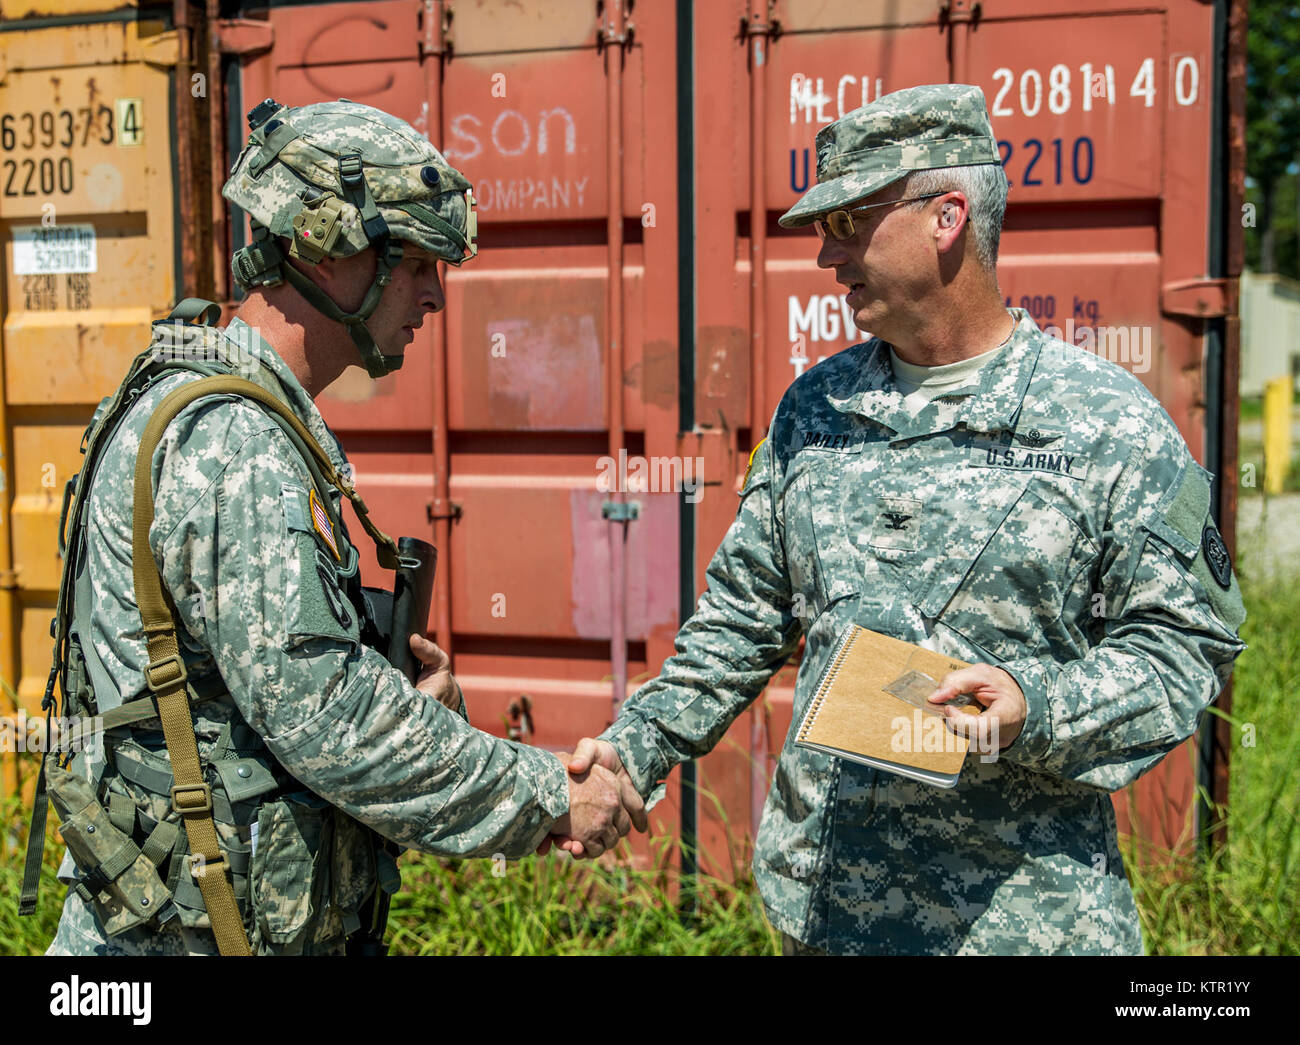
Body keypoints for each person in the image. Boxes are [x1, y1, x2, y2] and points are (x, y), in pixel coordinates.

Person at [563, 83, 1247, 954]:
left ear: (946, 216)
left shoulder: (1104, 421)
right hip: (828, 911)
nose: (827, 258)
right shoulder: (815, 408)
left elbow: (1188, 645)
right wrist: (633, 751)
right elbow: (738, 624)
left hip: (1024, 925)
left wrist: (1035, 708)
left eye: (850, 224)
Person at [32, 99, 644, 956]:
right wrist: (547, 791)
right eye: (417, 259)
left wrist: (394, 683)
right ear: (323, 248)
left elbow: (239, 672)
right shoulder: (236, 439)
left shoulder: (190, 384)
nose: (435, 292)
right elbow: (331, 723)